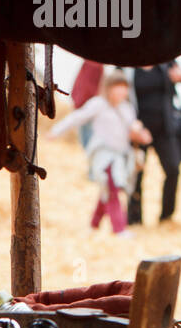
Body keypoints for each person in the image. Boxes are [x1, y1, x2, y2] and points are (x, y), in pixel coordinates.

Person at [47, 71, 152, 235]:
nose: (121, 92)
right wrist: (56, 131)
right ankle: (120, 229)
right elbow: (77, 117)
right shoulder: (98, 104)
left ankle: (94, 225)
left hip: (120, 155)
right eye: (117, 87)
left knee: (108, 189)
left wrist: (141, 134)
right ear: (108, 88)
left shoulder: (127, 108)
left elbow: (131, 130)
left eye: (124, 88)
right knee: (112, 188)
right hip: (103, 154)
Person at [127, 61, 181, 226]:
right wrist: (133, 126)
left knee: (173, 169)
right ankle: (134, 218)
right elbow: (115, 87)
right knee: (136, 175)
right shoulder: (126, 63)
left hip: (164, 128)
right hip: (138, 130)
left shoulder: (164, 59)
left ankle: (166, 216)